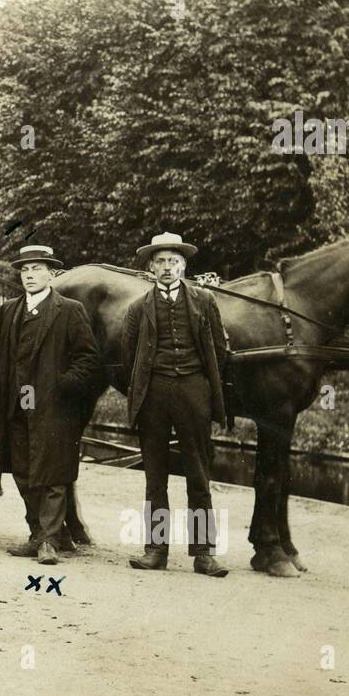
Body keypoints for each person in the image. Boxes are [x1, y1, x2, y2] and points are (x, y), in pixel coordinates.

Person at [122, 232, 230, 578]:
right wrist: (146, 387)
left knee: (198, 474)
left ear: (183, 265)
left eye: (173, 261)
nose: (167, 268)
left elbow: (220, 351)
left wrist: (203, 388)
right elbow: (128, 360)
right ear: (150, 267)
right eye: (160, 262)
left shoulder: (204, 300)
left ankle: (204, 554)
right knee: (155, 477)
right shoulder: (138, 308)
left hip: (194, 391)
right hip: (154, 394)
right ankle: (156, 550)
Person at [0, 245, 100, 565]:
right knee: (24, 471)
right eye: (24, 270)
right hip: (18, 400)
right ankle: (36, 533)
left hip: (54, 406)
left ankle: (50, 541)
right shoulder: (10, 310)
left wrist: (62, 386)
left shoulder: (69, 309)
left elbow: (88, 359)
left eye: (36, 269)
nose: (29, 276)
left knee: (52, 473)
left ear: (51, 275)